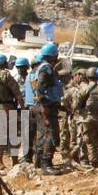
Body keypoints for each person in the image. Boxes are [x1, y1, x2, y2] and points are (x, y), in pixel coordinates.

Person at [29, 42, 64, 174]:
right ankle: (46, 164)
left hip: (45, 106)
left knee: (43, 134)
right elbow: (40, 89)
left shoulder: (40, 67)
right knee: (52, 134)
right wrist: (45, 105)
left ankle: (40, 162)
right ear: (53, 55)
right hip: (47, 107)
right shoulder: (47, 69)